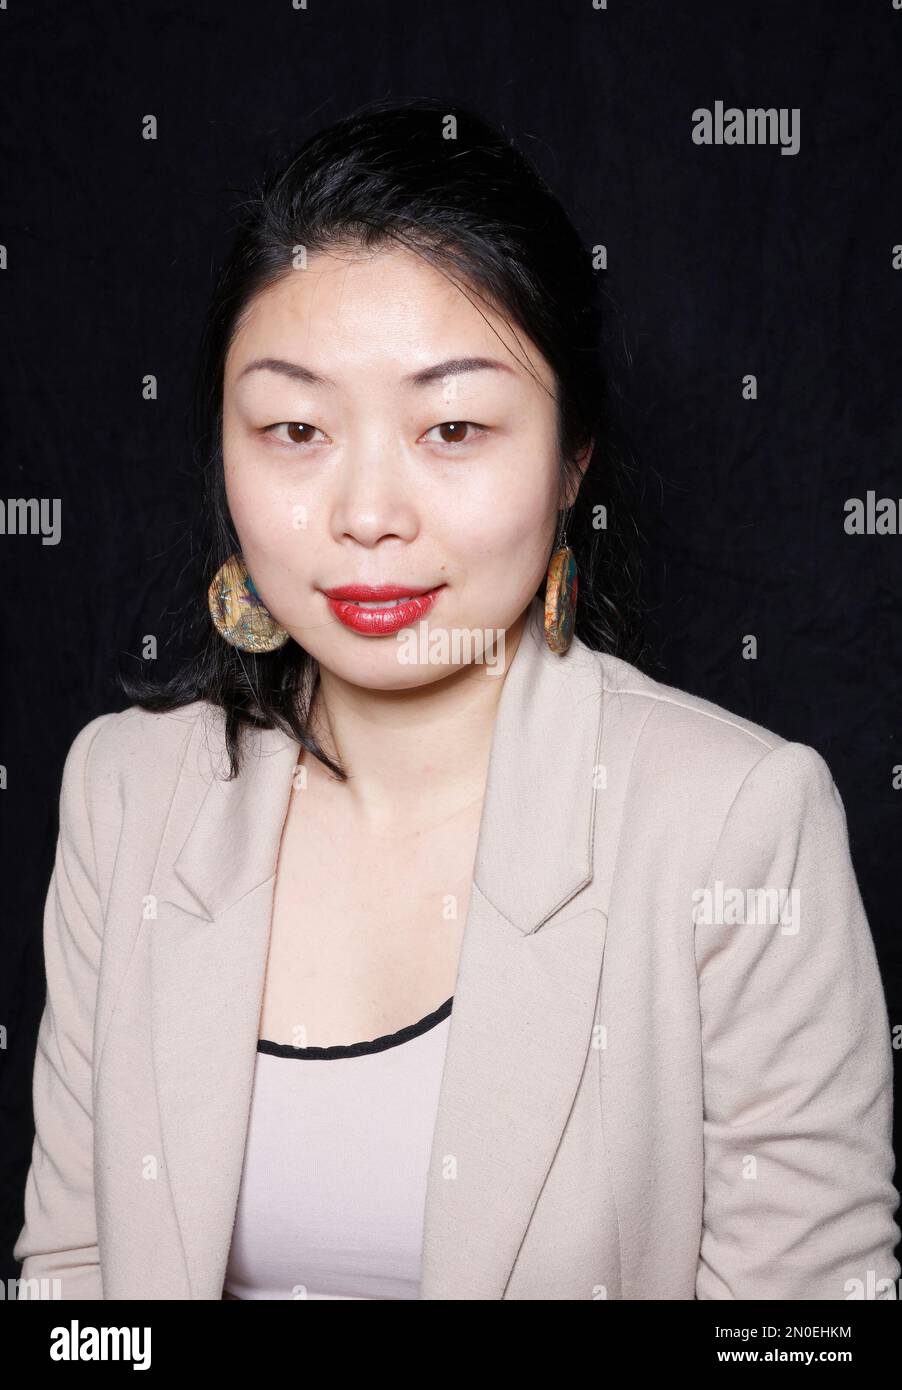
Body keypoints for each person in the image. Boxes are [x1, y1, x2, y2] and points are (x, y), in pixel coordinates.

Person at [14, 100, 900, 1301]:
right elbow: (73, 1291)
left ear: (569, 453)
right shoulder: (125, 792)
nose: (367, 511)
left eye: (452, 425)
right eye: (293, 427)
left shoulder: (738, 822)